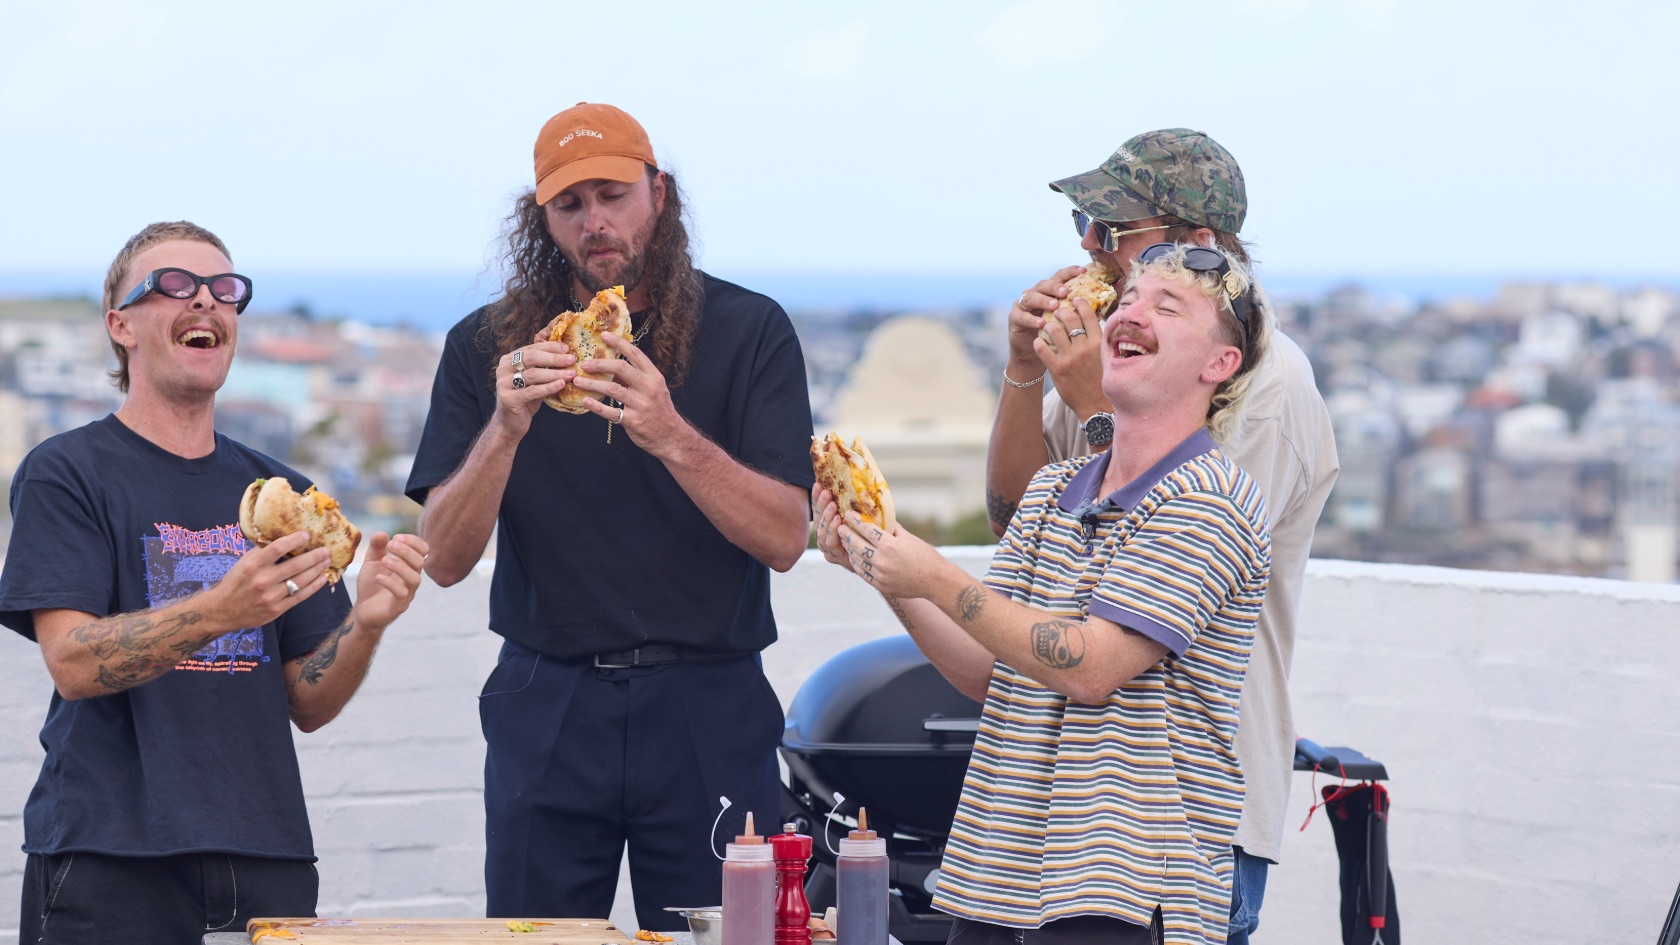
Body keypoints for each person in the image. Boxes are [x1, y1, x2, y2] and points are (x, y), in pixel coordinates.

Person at [405, 102, 814, 930]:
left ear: (658, 194)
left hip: (709, 697)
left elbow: (784, 537)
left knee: (725, 932)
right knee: (536, 931)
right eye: (570, 205)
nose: (595, 223)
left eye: (613, 194)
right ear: (542, 218)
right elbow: (443, 557)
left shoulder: (749, 330)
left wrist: (668, 433)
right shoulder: (487, 347)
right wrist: (506, 426)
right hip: (548, 698)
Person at [818, 242, 1273, 945]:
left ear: (1220, 365)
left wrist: (934, 573)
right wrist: (880, 567)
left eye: (1166, 305)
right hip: (997, 878)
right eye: (1126, 300)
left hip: (1120, 892)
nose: (1129, 313)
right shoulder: (1051, 492)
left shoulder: (1210, 499)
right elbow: (986, 668)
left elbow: (1089, 666)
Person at [0, 221, 430, 945]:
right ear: (121, 327)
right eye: (173, 285)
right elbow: (72, 661)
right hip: (111, 859)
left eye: (225, 291)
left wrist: (369, 623)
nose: (205, 302)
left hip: (269, 859)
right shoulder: (67, 472)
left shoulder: (287, 492)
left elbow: (309, 698)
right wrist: (218, 609)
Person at [987, 129, 1339, 943]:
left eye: (1115, 231)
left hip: (1184, 810)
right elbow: (1015, 519)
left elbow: (1166, 535)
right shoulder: (1111, 364)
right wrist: (1024, 369)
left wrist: (1092, 403)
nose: (1088, 246)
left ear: (1200, 245)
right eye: (1085, 220)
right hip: (1073, 791)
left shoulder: (1266, 384)